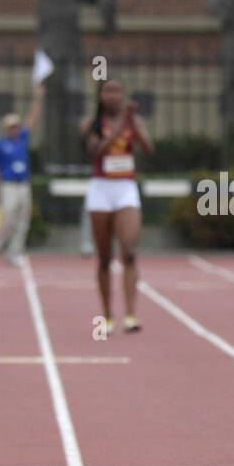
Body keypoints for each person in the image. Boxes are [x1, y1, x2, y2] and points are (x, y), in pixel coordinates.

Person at [80, 79, 153, 334]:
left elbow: (148, 148)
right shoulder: (92, 124)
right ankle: (108, 315)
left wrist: (132, 123)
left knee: (129, 252)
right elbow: (96, 152)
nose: (114, 96)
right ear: (100, 97)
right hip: (101, 189)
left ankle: (131, 314)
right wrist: (122, 124)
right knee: (104, 258)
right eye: (109, 91)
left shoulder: (134, 121)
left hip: (125, 189)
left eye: (118, 91)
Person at [0, 82, 45, 264]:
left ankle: (15, 252)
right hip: (8, 184)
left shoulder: (22, 139)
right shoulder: (0, 145)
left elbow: (32, 119)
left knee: (23, 220)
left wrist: (38, 98)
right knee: (8, 217)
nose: (15, 129)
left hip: (23, 184)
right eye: (11, 126)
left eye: (16, 126)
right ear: (6, 128)